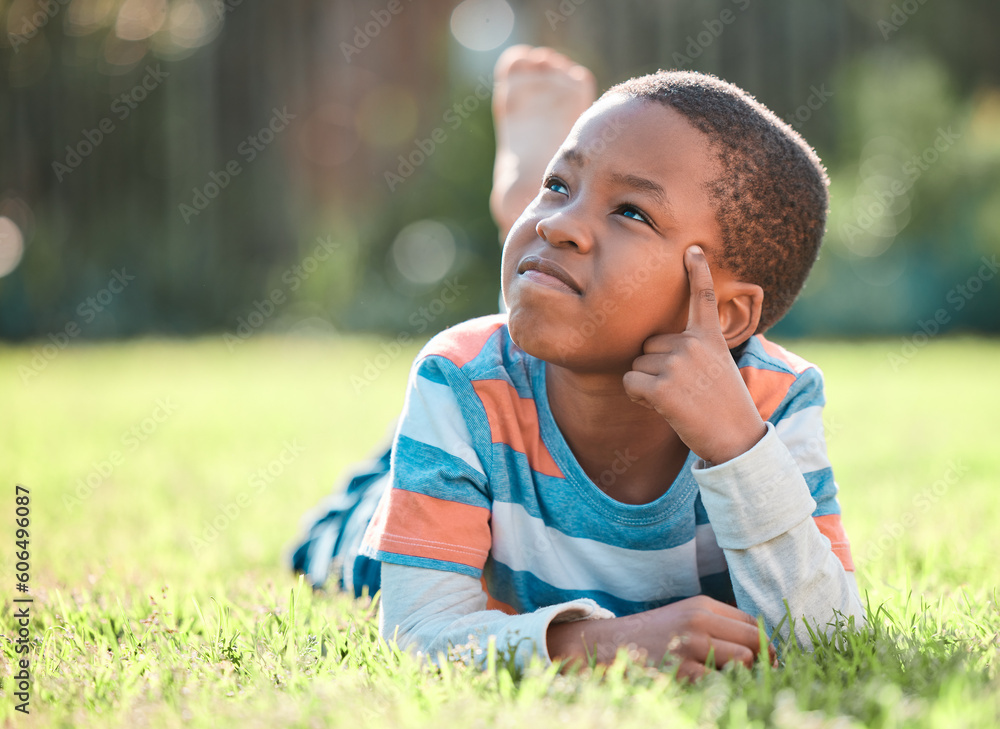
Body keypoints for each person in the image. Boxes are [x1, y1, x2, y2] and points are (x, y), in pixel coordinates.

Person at [290, 46, 864, 680]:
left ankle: (543, 262)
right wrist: (607, 643)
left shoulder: (775, 401)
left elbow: (830, 639)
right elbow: (418, 633)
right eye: (556, 186)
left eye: (631, 212)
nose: (561, 223)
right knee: (345, 541)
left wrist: (736, 447)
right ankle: (537, 260)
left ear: (725, 317)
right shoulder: (459, 379)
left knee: (531, 325)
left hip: (509, 404)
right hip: (456, 478)